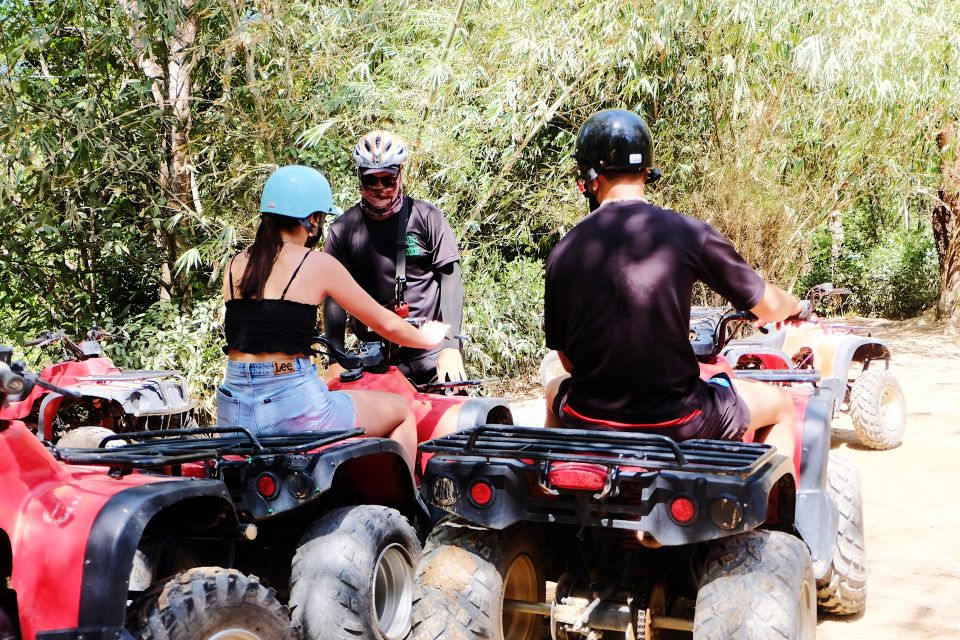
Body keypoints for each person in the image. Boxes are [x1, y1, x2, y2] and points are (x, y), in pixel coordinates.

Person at [543, 109, 808, 459]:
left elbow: (567, 361)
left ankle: (550, 483)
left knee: (553, 390)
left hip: (590, 416)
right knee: (781, 405)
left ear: (592, 176)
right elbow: (769, 305)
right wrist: (797, 306)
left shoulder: (565, 250)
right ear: (646, 172)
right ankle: (774, 512)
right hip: (681, 419)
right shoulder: (686, 233)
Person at [218, 165, 448, 470]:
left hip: (233, 410)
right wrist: (428, 338)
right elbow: (386, 322)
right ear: (312, 220)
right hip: (293, 406)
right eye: (320, 218)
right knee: (402, 410)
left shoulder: (235, 264)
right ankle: (404, 510)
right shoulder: (318, 264)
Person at [323, 131, 466, 386]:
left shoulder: (427, 217)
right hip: (376, 357)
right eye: (371, 181)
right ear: (360, 180)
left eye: (387, 180)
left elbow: (451, 278)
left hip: (431, 350)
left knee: (456, 420)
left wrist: (451, 345)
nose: (380, 189)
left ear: (400, 176)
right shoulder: (343, 229)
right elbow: (334, 297)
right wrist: (335, 359)